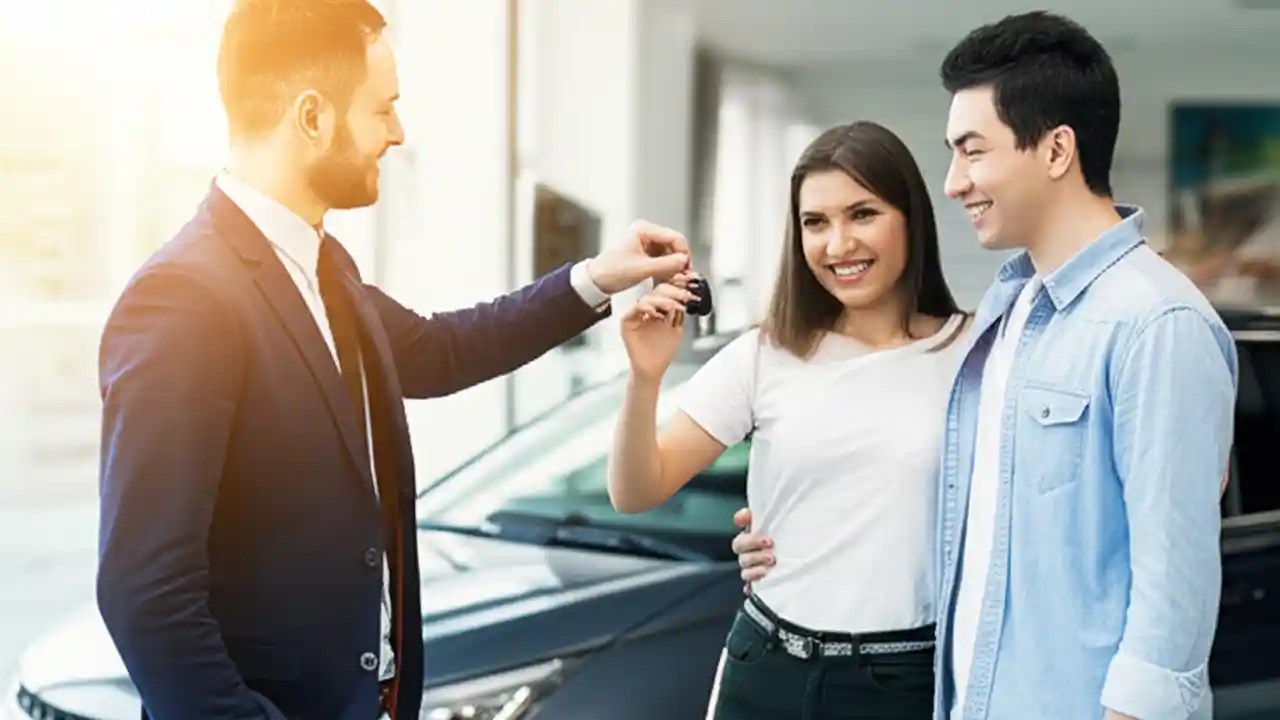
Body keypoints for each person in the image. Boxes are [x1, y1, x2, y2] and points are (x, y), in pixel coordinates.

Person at [94, 2, 690, 719]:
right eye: (383, 109)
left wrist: (597, 277)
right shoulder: (184, 298)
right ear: (312, 117)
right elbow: (144, 593)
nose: (398, 133)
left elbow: (440, 351)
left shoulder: (322, 267)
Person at [732, 11, 1238, 720]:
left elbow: (1172, 607)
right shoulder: (1008, 313)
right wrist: (799, 535)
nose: (952, 183)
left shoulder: (1158, 323)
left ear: (1056, 149)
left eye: (972, 152)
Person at [609, 121, 970, 719]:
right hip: (765, 666)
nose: (838, 244)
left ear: (911, 217)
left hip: (903, 680)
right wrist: (643, 377)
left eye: (862, 214)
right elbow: (635, 491)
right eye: (815, 222)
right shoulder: (766, 352)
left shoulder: (974, 353)